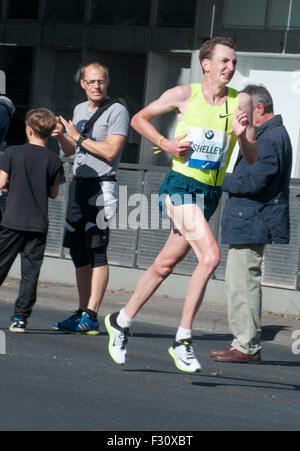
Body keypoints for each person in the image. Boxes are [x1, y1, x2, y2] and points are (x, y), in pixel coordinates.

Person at [104, 36, 258, 373]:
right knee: (211, 257)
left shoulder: (241, 101)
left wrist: (243, 133)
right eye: (224, 61)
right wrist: (165, 143)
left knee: (164, 265)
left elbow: (251, 155)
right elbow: (138, 119)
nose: (230, 68)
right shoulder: (183, 95)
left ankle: (121, 321)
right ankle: (183, 340)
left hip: (210, 194)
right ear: (206, 64)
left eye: (234, 62)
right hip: (179, 187)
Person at [211, 85, 292, 363]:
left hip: (253, 218)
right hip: (252, 218)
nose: (240, 118)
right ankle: (246, 342)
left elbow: (256, 180)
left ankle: (246, 345)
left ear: (259, 108)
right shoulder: (268, 134)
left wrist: (217, 178)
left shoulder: (269, 137)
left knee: (242, 283)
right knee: (242, 282)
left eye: (243, 111)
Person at [52, 62, 130, 335]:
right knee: (77, 250)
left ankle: (93, 314)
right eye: (92, 81)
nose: (97, 86)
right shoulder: (78, 110)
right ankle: (82, 309)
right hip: (79, 184)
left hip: (102, 187)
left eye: (102, 81)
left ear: (107, 82)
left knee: (96, 249)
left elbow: (110, 151)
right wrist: (62, 138)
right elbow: (72, 152)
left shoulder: (118, 110)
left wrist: (78, 137)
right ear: (83, 84)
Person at [0, 108, 65, 332]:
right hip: (38, 224)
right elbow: (54, 193)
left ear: (28, 130)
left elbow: (1, 182)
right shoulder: (54, 160)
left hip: (12, 221)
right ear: (49, 132)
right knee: (30, 273)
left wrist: (10, 188)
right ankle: (20, 318)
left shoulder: (12, 152)